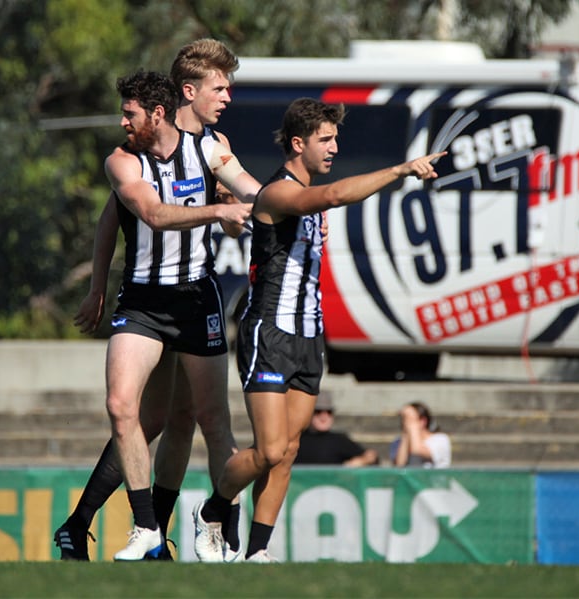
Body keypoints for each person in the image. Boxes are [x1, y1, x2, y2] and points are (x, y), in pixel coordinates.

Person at [193, 97, 443, 563]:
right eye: (324, 139)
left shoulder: (308, 194)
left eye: (335, 138)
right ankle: (211, 511)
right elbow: (330, 196)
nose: (334, 147)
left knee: (288, 450)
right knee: (267, 450)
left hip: (308, 338)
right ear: (297, 143)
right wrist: (401, 170)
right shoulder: (279, 193)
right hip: (268, 333)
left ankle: (257, 553)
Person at [54, 39, 257, 563]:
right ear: (187, 92)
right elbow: (139, 217)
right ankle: (144, 528)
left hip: (196, 300)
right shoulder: (125, 162)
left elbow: (251, 193)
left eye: (129, 113)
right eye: (220, 87)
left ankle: (213, 528)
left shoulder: (211, 148)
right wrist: (100, 286)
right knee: (127, 409)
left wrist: (301, 200)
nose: (227, 96)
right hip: (143, 301)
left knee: (192, 420)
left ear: (160, 110)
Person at [294, 394, 379, 467]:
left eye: (329, 412)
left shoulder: (339, 440)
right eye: (318, 411)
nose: (324, 417)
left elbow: (372, 457)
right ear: (309, 413)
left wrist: (361, 461)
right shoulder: (297, 440)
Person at [391, 401, 452, 468]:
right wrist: (406, 436)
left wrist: (413, 428)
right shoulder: (398, 441)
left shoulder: (441, 439)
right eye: (403, 419)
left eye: (408, 418)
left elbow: (417, 452)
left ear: (423, 421)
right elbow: (399, 465)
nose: (404, 423)